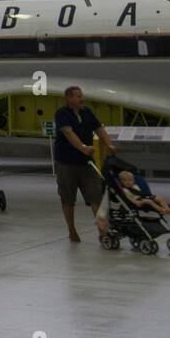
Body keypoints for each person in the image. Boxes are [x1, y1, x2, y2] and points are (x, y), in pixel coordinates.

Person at [53, 86, 114, 242]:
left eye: (81, 96)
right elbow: (68, 132)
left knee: (96, 196)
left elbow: (99, 129)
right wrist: (83, 147)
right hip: (66, 163)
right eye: (78, 96)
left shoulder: (87, 112)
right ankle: (72, 230)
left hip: (87, 162)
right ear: (69, 98)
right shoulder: (62, 114)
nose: (82, 99)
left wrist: (109, 144)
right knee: (68, 198)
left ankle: (103, 232)